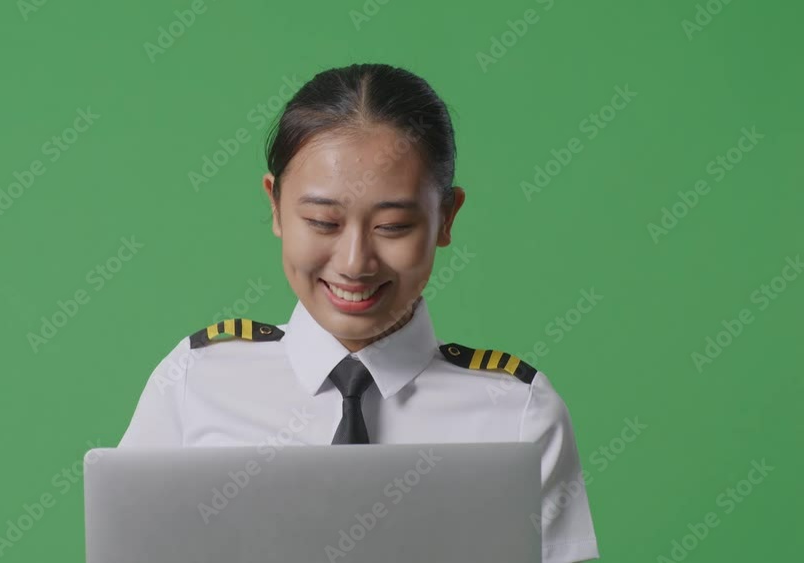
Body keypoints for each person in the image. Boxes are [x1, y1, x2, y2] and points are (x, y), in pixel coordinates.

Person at [117, 63, 600, 563]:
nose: (354, 263)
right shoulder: (197, 380)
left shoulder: (516, 412)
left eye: (392, 226)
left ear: (446, 217)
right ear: (276, 207)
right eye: (323, 221)